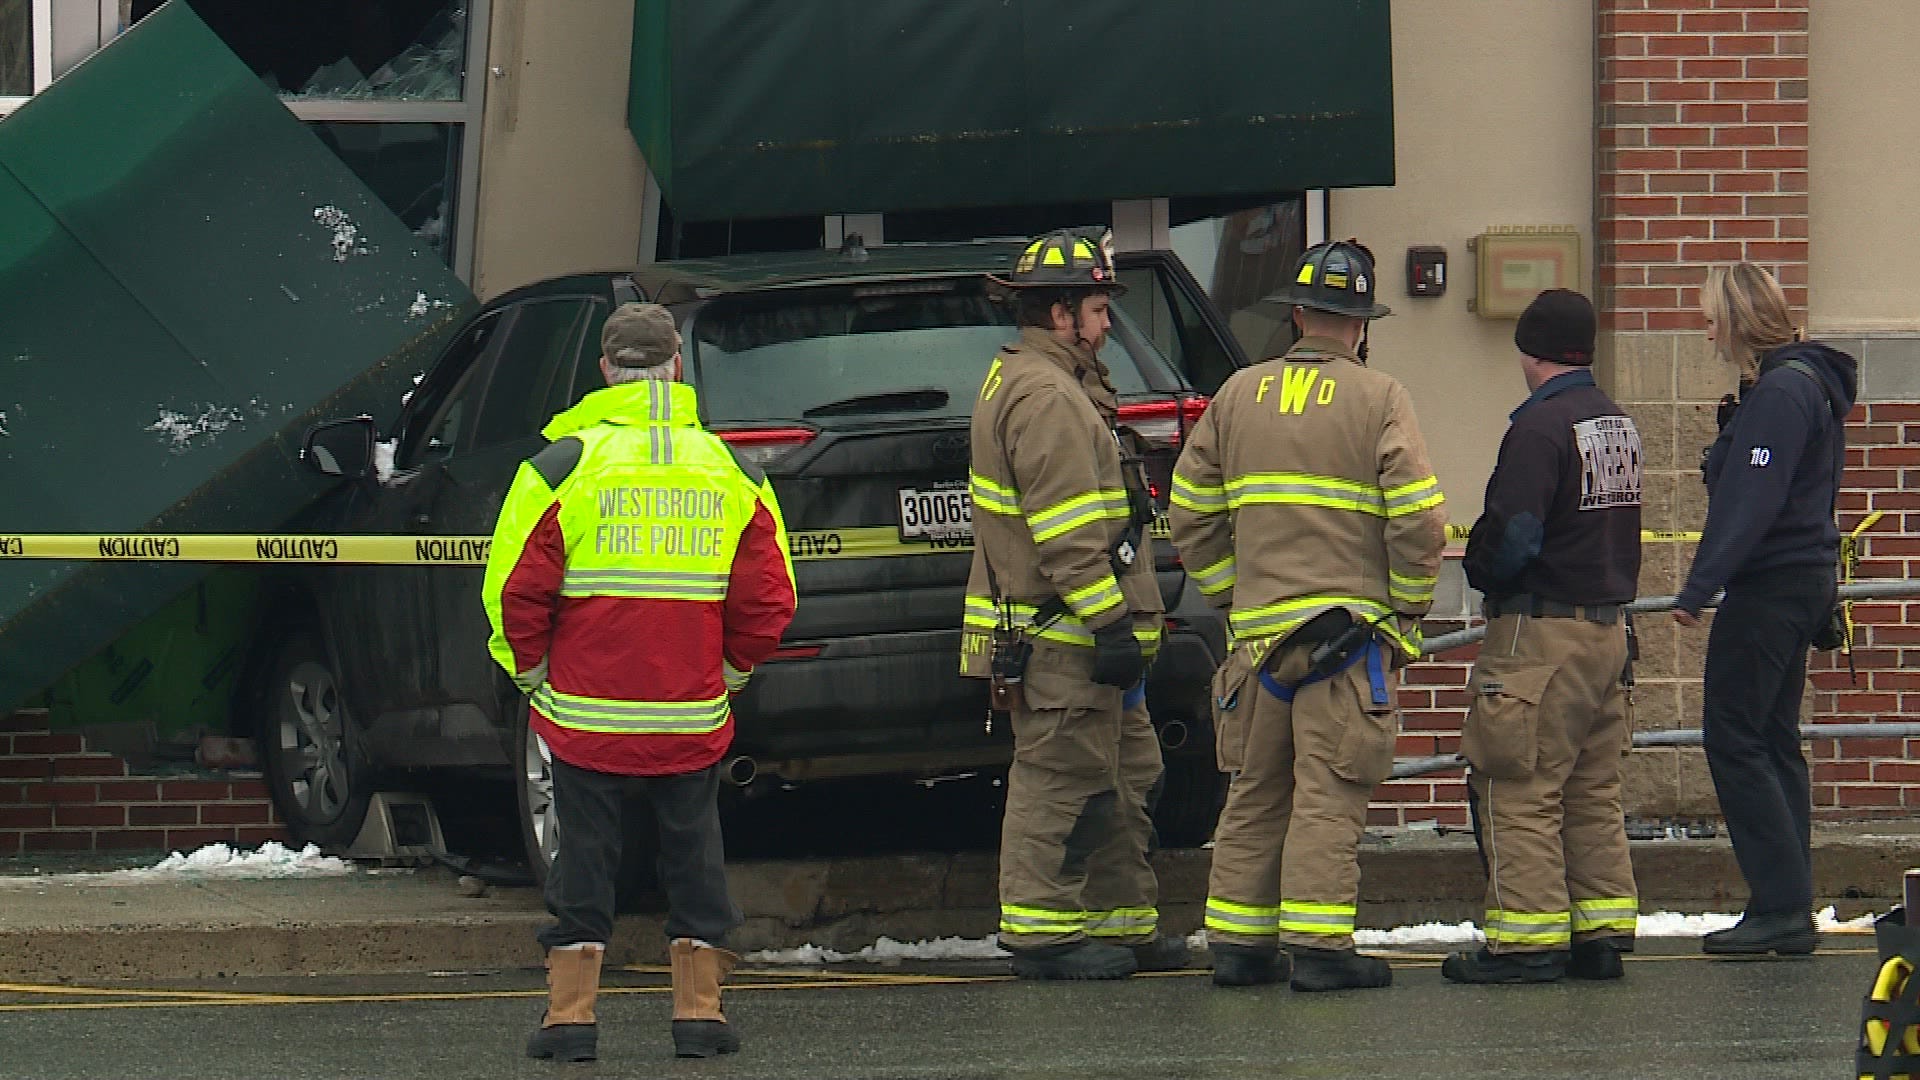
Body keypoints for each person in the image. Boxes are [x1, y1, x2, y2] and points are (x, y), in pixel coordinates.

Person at [483, 302, 797, 1061]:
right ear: (678, 369)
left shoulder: (559, 466)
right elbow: (768, 598)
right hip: (690, 712)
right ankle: (699, 1016)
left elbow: (514, 592)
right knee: (694, 854)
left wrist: (532, 676)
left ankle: (570, 1021)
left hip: (586, 713)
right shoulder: (732, 470)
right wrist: (726, 674)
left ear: (604, 371)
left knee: (583, 856)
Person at [1169, 239, 1445, 991]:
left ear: (1295, 314)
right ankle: (1321, 950)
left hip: (1256, 647)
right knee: (1327, 793)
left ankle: (1237, 946)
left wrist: (1233, 593)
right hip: (1345, 646)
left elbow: (1188, 514)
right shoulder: (1380, 397)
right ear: (1358, 325)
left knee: (1255, 791)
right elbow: (1420, 523)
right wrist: (1408, 613)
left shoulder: (1236, 394)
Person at [961, 227, 1184, 980]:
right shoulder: (1047, 395)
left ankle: (1124, 922)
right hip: (1069, 635)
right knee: (1060, 778)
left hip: (1086, 635)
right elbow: (1064, 535)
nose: (1105, 324)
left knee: (1123, 773)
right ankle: (1042, 933)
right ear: (1060, 315)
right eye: (1096, 308)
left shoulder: (1049, 379)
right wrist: (1111, 622)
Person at [1441, 289, 1643, 985]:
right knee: (1591, 788)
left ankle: (1526, 942)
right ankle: (1601, 933)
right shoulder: (1615, 422)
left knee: (1517, 786)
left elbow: (1517, 534)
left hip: (1541, 632)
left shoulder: (1539, 428)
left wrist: (1480, 564)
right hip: (1607, 629)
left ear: (1529, 351)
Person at [1673, 262, 1856, 957]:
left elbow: (1754, 498)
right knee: (1774, 741)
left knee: (1736, 736)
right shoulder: (1801, 385)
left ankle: (1779, 904)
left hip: (1770, 583)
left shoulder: (1780, 392)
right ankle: (1786, 900)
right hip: (1801, 579)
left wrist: (1699, 587)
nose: (1704, 326)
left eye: (1710, 313)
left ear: (1738, 317)